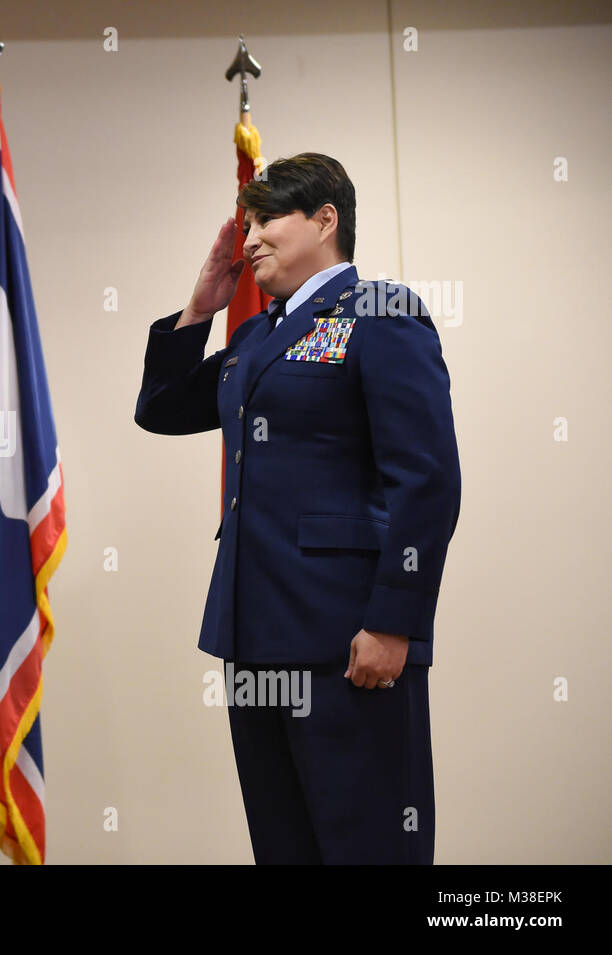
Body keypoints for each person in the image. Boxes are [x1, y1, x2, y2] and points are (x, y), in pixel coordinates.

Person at [134, 153, 461, 864]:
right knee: (286, 848)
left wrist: (393, 622)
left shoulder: (382, 312)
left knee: (366, 845)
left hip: (346, 642)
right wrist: (200, 308)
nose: (248, 240)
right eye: (244, 224)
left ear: (324, 219)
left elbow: (428, 480)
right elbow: (159, 410)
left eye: (266, 219)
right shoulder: (255, 335)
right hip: (254, 639)